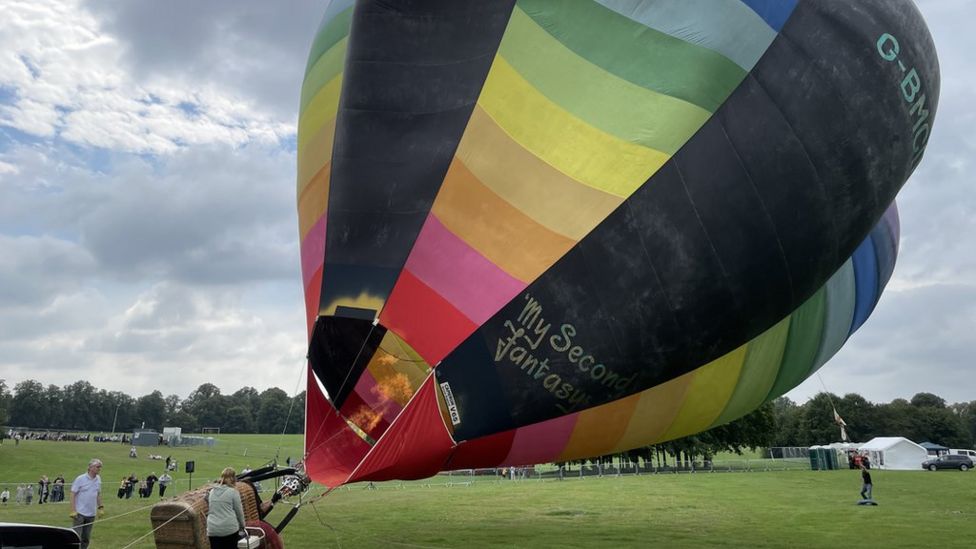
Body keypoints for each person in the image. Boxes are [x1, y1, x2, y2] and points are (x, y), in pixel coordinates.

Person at [206, 467, 246, 549]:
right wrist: (242, 525)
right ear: (233, 478)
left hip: (213, 529)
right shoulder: (233, 492)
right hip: (229, 529)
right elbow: (239, 512)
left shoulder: (212, 492)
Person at [70, 458, 104, 549]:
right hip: (79, 513)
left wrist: (100, 507)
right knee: (76, 537)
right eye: (97, 467)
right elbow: (73, 494)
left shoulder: (98, 479)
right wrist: (73, 510)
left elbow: (98, 494)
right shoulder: (80, 479)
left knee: (86, 538)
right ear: (90, 467)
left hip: (91, 514)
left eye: (100, 467)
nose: (99, 469)